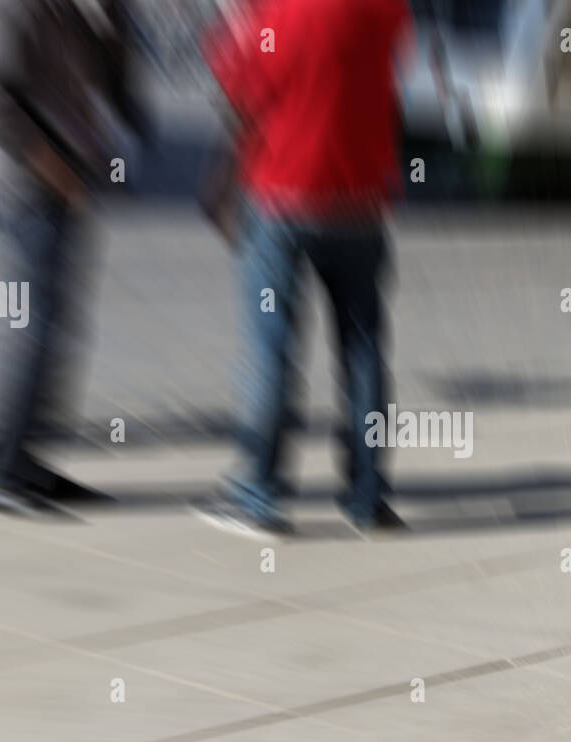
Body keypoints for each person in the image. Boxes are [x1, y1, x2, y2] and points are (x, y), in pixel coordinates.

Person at [199, 0, 413, 537]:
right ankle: (368, 495)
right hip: (362, 199)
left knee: (272, 348)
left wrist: (231, 22)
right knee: (363, 350)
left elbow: (242, 83)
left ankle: (259, 493)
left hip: (282, 194)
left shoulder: (278, 12)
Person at [0, 0, 144, 515]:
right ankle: (0, 466)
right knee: (35, 323)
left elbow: (107, 64)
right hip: (25, 177)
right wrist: (51, 167)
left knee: (55, 321)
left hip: (61, 167)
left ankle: (18, 457)